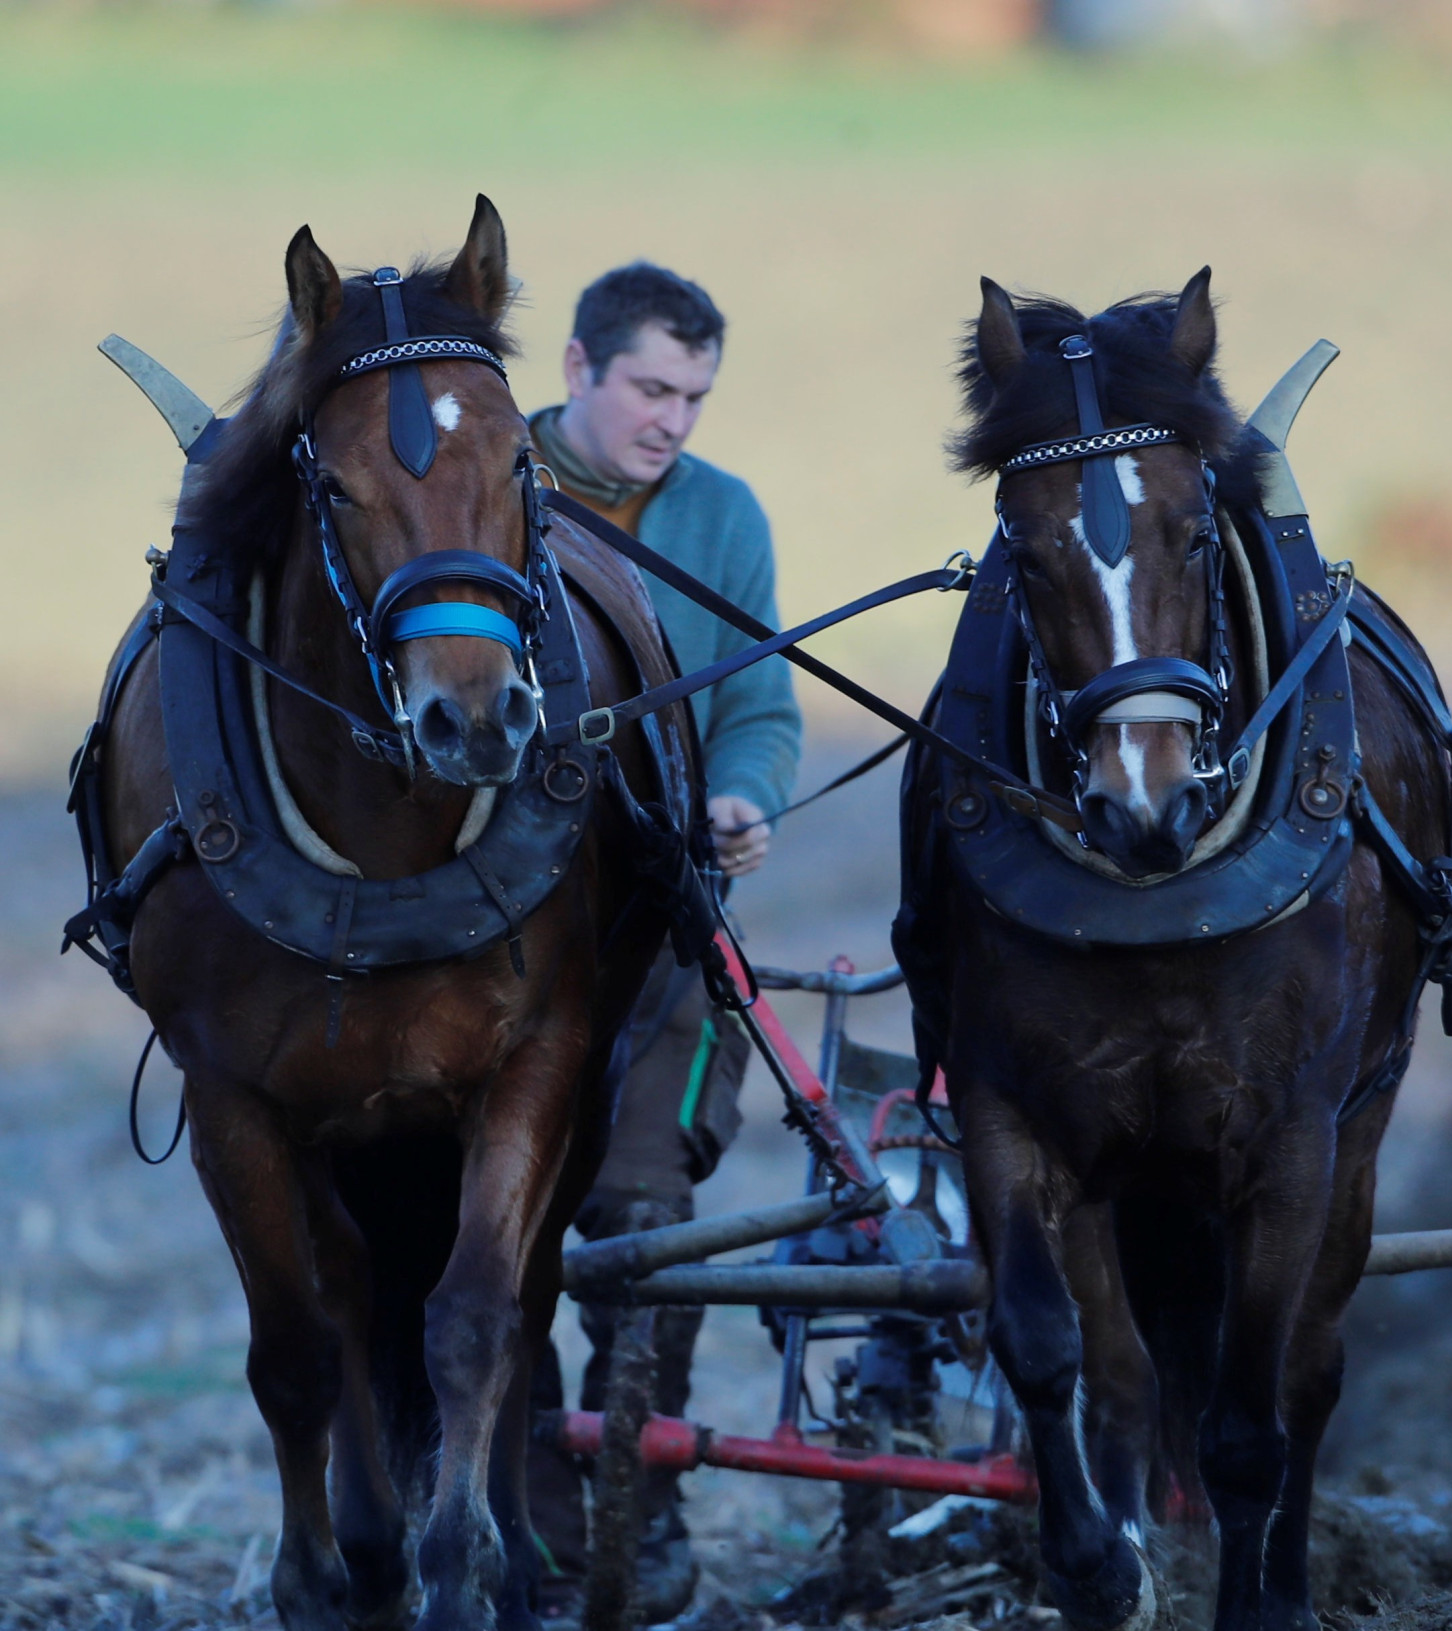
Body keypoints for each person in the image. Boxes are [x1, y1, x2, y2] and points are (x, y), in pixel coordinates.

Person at [525, 262, 802, 1620]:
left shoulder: (721, 517)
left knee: (646, 1228)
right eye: (650, 387)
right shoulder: (478, 488)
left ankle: (643, 1505)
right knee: (484, 1246)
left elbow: (760, 706)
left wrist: (745, 796)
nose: (673, 419)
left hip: (661, 944)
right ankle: (525, 1517)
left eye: (694, 395)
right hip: (491, 952)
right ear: (577, 367)